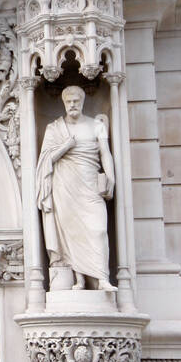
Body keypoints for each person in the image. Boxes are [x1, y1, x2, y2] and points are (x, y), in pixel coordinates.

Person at [35, 86, 116, 290]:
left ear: (82, 102)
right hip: (65, 186)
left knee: (98, 230)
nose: (73, 105)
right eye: (69, 101)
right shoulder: (54, 128)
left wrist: (111, 177)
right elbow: (46, 159)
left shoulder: (96, 125)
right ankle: (79, 280)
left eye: (76, 101)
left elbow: (105, 153)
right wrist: (65, 146)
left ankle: (102, 278)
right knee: (72, 233)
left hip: (90, 185)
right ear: (64, 103)